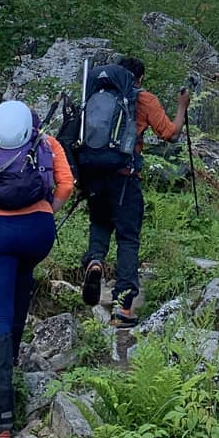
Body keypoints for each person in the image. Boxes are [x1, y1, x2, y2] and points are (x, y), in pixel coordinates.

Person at [0, 99, 73, 438]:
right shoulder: (46, 142)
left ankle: (2, 418)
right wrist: (45, 212)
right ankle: (10, 358)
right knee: (22, 282)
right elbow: (67, 184)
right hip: (37, 234)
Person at [79, 56, 190, 326]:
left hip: (94, 174)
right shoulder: (143, 99)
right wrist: (182, 106)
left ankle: (94, 261)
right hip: (125, 179)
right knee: (128, 239)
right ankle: (123, 308)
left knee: (100, 223)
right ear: (138, 79)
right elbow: (171, 134)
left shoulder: (93, 95)